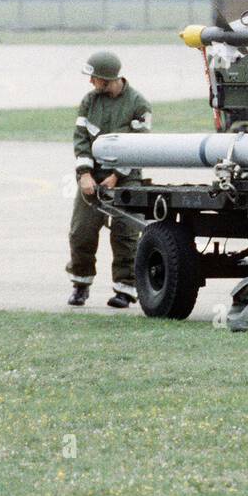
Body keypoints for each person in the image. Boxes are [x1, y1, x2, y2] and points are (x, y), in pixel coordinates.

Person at [67, 51, 152, 308]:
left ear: (107, 78)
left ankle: (124, 290)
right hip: (93, 177)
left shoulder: (139, 105)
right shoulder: (89, 102)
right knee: (81, 231)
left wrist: (117, 176)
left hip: (126, 178)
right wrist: (84, 175)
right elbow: (81, 138)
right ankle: (80, 284)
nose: (91, 82)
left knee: (125, 234)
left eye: (95, 78)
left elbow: (141, 146)